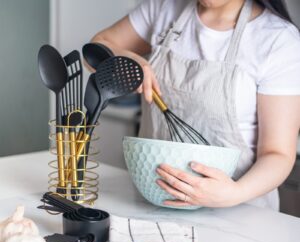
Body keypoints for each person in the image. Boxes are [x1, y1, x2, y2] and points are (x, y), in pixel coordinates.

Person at [90, 0, 300, 210]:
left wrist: (235, 193)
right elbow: (98, 46)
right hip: (154, 200)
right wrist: (127, 60)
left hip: (238, 214)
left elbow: (277, 154)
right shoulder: (163, 8)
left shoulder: (278, 40)